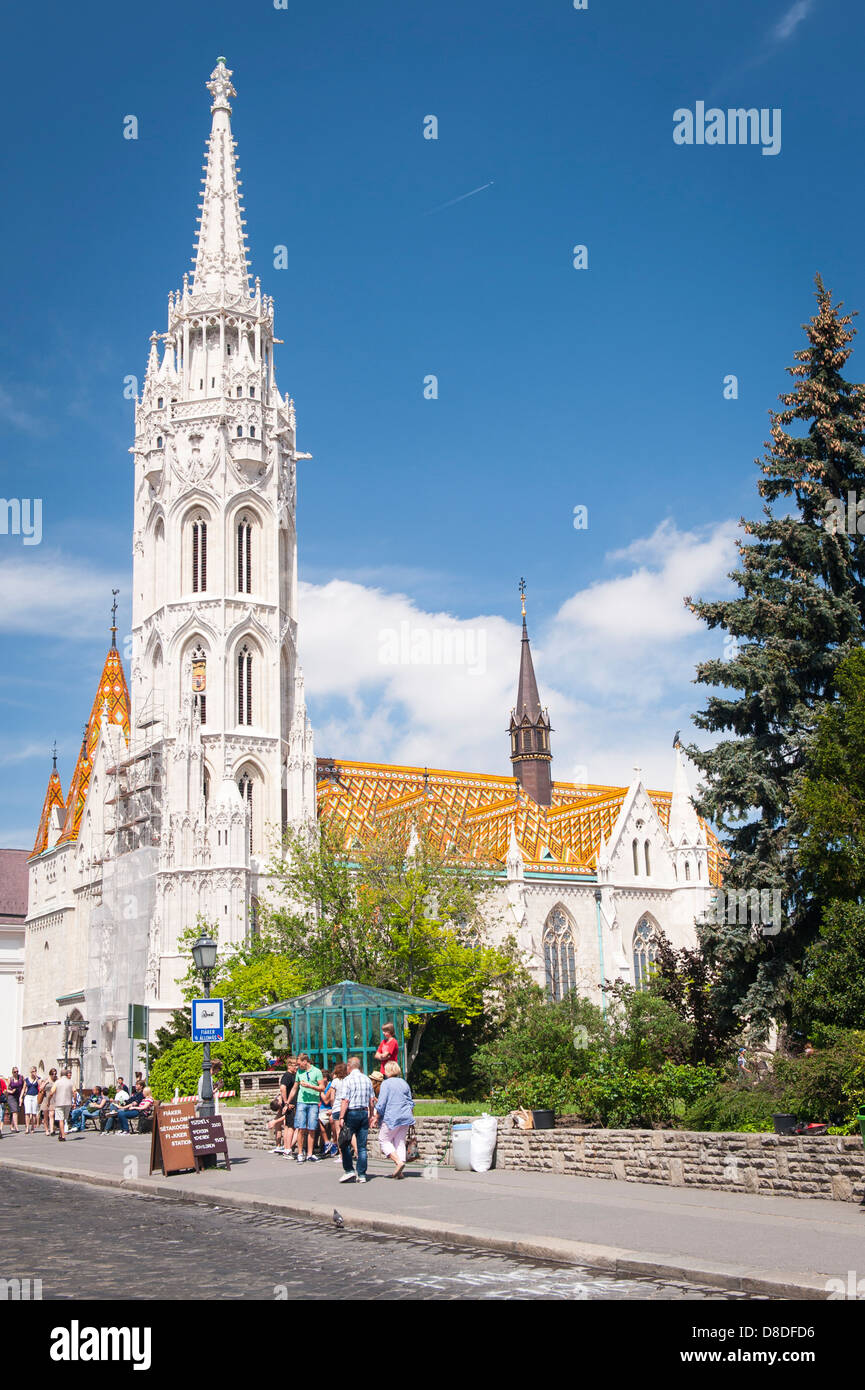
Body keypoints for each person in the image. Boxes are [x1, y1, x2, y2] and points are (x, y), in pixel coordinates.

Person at [372, 1061, 415, 1179]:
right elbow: (410, 1102)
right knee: (399, 1142)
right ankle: (400, 1170)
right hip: (405, 1117)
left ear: (388, 1071)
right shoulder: (404, 1083)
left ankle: (398, 1162)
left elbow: (382, 1103)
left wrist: (376, 1116)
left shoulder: (386, 1084)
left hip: (392, 1117)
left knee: (383, 1139)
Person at [338, 1056, 375, 1185]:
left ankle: (349, 1170)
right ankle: (362, 1174)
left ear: (349, 1066)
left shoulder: (347, 1080)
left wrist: (341, 1117)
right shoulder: (367, 1079)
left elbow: (345, 1101)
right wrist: (371, 1115)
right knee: (362, 1146)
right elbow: (371, 1100)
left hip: (351, 1113)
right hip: (364, 1113)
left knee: (344, 1142)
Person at [289, 1054, 325, 1162]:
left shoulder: (317, 1071)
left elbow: (322, 1087)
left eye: (299, 1064)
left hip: (313, 1102)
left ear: (305, 1061)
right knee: (301, 1127)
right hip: (302, 1102)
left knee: (312, 1128)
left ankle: (310, 1153)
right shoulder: (299, 1072)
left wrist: (310, 1086)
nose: (297, 1066)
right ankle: (300, 1153)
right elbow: (295, 1087)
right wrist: (288, 1101)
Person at [326, 1063, 348, 1161]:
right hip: (347, 1107)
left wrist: (333, 1106)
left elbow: (331, 1097)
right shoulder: (348, 1080)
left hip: (337, 1108)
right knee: (348, 1131)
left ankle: (342, 1155)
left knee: (338, 1132)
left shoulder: (334, 1082)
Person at [51, 1069, 75, 1142]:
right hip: (68, 1103)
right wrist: (74, 1102)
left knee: (60, 1119)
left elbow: (51, 1092)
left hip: (59, 1102)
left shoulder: (57, 1082)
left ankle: (63, 1136)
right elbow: (75, 1092)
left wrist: (49, 1100)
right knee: (64, 1119)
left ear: (61, 1075)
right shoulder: (70, 1082)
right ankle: (61, 1134)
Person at [23, 1068, 41, 1134]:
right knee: (27, 1112)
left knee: (34, 1113)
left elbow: (40, 1086)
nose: (34, 1073)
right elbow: (24, 1088)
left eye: (35, 1071)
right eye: (32, 1071)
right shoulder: (27, 1079)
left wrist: (37, 1078)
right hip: (28, 1096)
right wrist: (21, 1097)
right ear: (30, 1072)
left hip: (35, 1096)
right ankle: (27, 1127)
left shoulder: (38, 1079)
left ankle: (33, 1126)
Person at [41, 1068, 58, 1134]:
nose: (54, 1075)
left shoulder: (57, 1080)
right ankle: (46, 1129)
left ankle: (51, 1130)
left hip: (53, 1099)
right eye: (53, 1074)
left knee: (52, 1114)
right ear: (50, 1074)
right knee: (45, 1116)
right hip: (45, 1098)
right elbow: (41, 1088)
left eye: (55, 1074)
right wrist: (45, 1083)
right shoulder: (46, 1080)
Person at [6, 1067, 23, 1133]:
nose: (16, 1073)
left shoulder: (21, 1078)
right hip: (11, 1097)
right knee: (15, 1111)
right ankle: (16, 1127)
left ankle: (12, 1126)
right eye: (15, 1072)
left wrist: (21, 1095)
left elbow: (24, 1086)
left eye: (17, 1071)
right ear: (12, 1073)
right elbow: (6, 1089)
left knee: (15, 1111)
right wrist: (11, 1092)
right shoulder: (10, 1079)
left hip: (18, 1096)